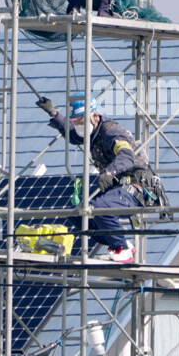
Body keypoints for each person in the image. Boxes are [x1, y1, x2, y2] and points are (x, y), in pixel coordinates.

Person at [36, 94, 156, 263]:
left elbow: (127, 155)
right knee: (79, 215)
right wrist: (55, 114)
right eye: (75, 121)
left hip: (137, 185)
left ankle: (122, 249)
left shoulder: (112, 133)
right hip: (118, 186)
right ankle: (121, 245)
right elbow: (74, 135)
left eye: (80, 120)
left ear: (95, 116)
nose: (78, 125)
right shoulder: (92, 132)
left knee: (99, 209)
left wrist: (109, 172)